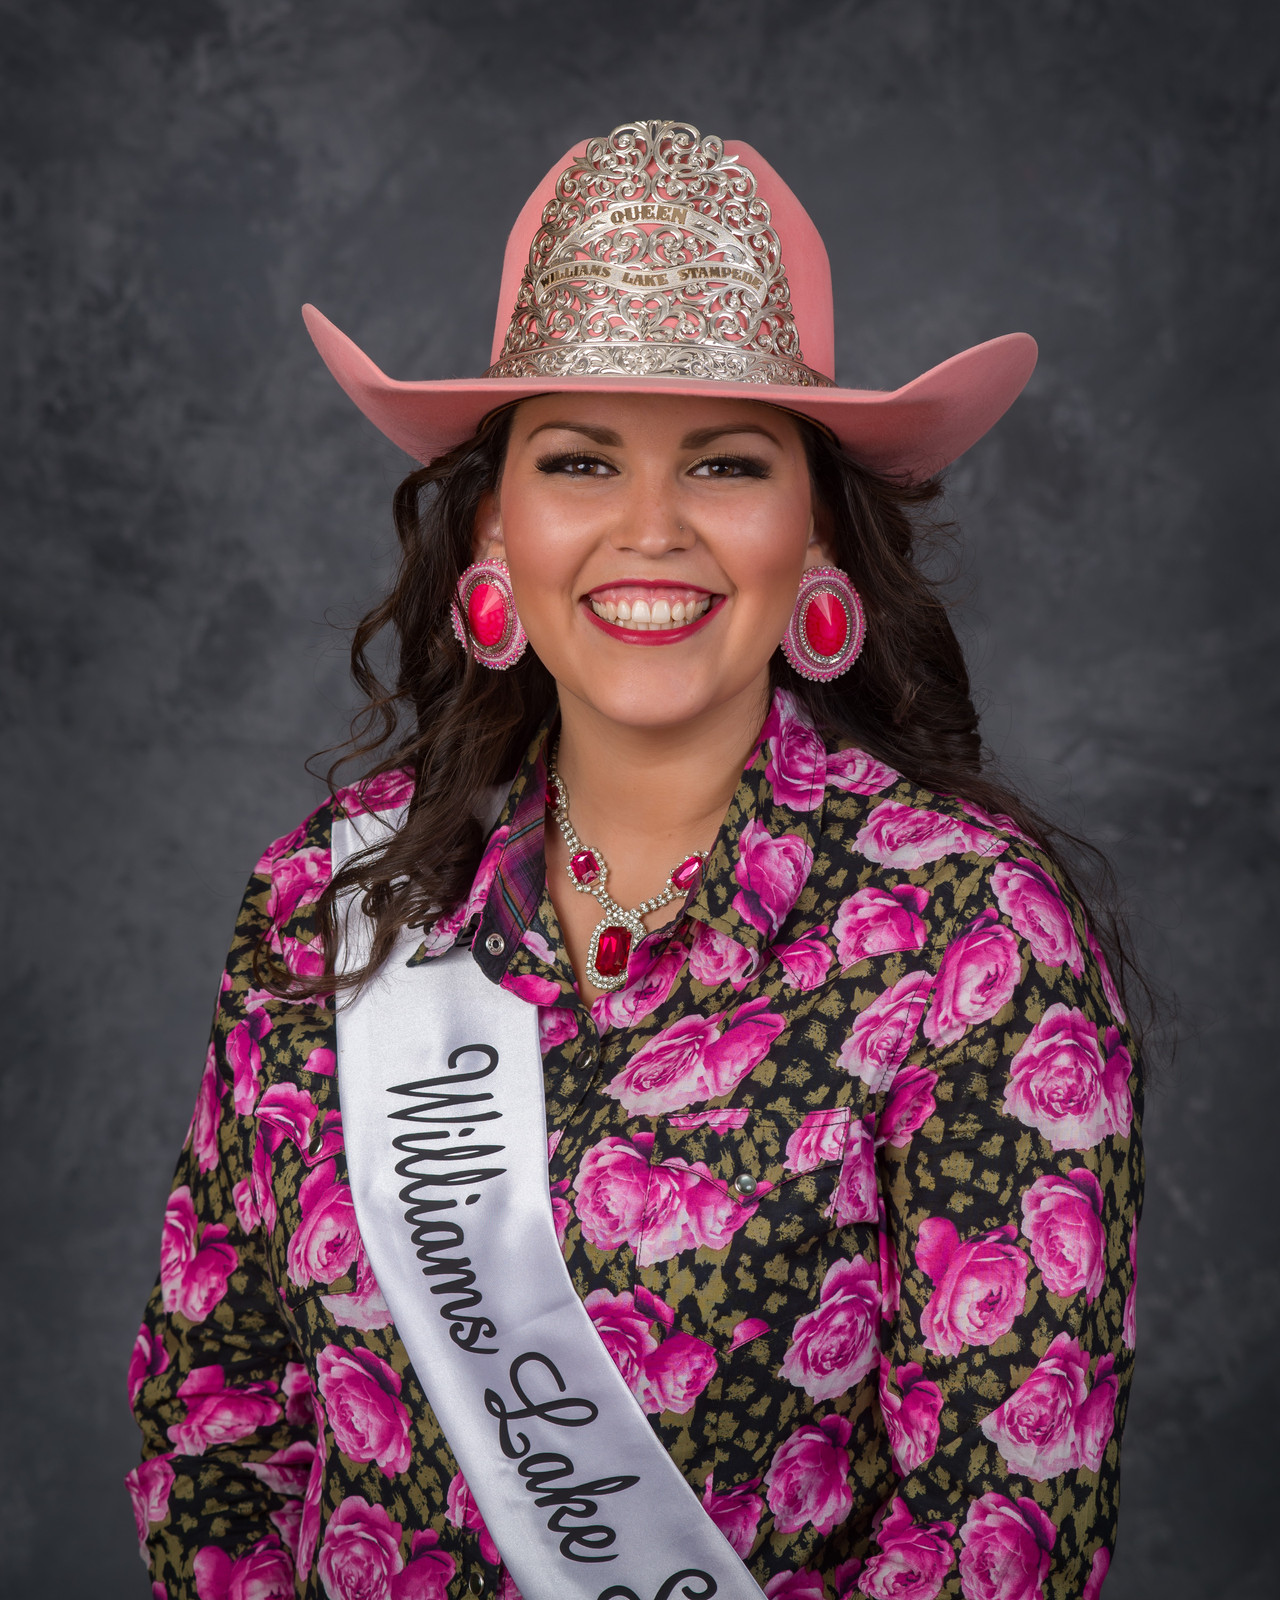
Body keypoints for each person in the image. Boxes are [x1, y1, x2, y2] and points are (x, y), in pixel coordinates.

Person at [127, 119, 1141, 1600]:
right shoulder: (326, 907)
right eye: (581, 460)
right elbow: (216, 1429)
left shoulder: (969, 940)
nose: (649, 531)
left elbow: (1003, 1537)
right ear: (495, 527)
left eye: (726, 464)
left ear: (815, 541)